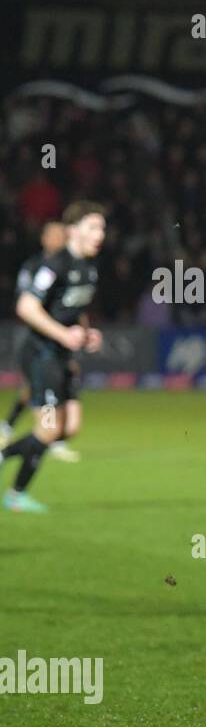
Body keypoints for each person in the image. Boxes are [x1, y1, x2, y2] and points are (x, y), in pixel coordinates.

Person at [1, 203, 106, 512]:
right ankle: (16, 495)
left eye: (102, 228)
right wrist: (63, 335)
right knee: (48, 429)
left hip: (62, 357)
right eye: (93, 227)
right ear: (72, 230)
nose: (100, 235)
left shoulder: (90, 267)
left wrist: (87, 333)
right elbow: (26, 307)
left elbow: (75, 309)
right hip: (40, 355)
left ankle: (5, 457)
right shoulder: (54, 264)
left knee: (68, 428)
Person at [1, 220, 81, 463]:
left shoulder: (73, 267)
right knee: (39, 398)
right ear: (44, 238)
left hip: (60, 347)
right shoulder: (35, 266)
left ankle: (34, 436)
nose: (59, 239)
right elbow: (25, 304)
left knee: (44, 394)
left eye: (62, 234)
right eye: (54, 234)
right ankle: (33, 440)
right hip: (38, 345)